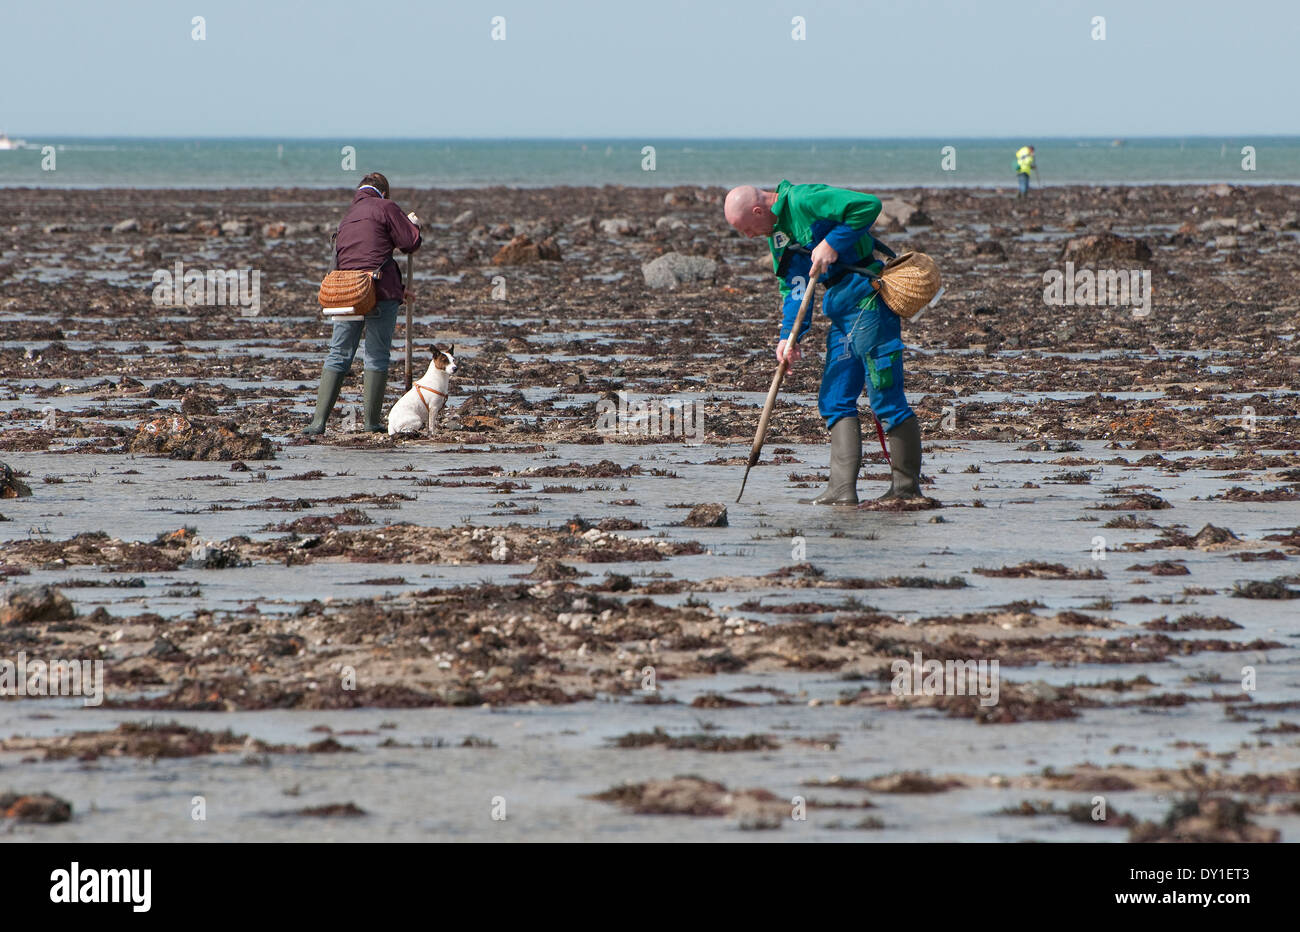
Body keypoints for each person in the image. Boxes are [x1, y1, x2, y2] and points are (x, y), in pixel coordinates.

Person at [723, 182, 923, 503]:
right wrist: (790, 336)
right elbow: (796, 288)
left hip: (868, 301)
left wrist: (832, 242)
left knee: (885, 397)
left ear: (759, 211)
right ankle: (842, 492)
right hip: (842, 309)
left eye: (746, 229)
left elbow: (867, 205)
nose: (749, 237)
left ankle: (906, 490)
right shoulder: (778, 236)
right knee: (835, 399)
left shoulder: (805, 200)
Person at [303, 172, 421, 434]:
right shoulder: (386, 207)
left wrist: (399, 289)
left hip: (346, 292)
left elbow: (355, 258)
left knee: (338, 353)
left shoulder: (347, 217)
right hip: (379, 291)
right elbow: (410, 243)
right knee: (376, 355)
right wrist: (414, 226)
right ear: (384, 192)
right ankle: (371, 423)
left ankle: (317, 423)